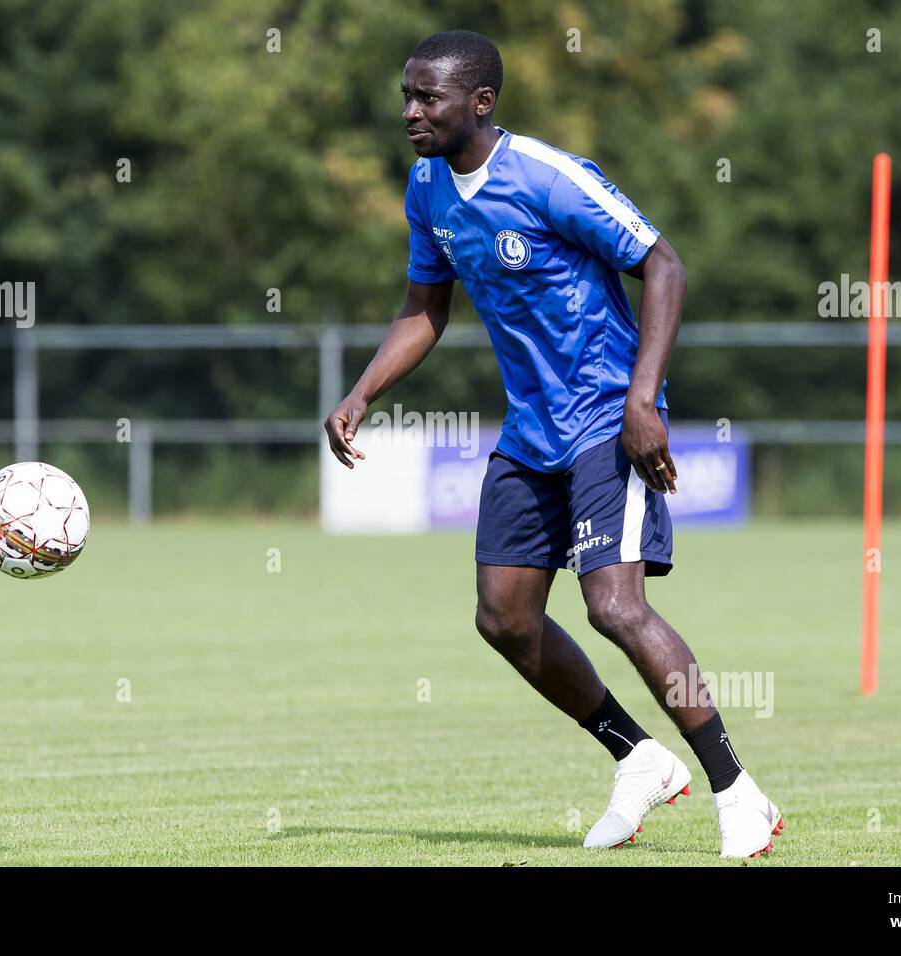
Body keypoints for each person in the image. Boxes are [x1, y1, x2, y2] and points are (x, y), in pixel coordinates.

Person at [324, 29, 783, 857]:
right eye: (406, 95)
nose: (410, 111)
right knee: (503, 620)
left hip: (608, 420)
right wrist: (362, 393)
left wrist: (644, 399)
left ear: (481, 102)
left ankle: (736, 788)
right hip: (530, 433)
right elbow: (426, 308)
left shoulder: (548, 176)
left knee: (613, 606)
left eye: (427, 97)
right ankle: (638, 758)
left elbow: (664, 265)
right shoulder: (427, 187)